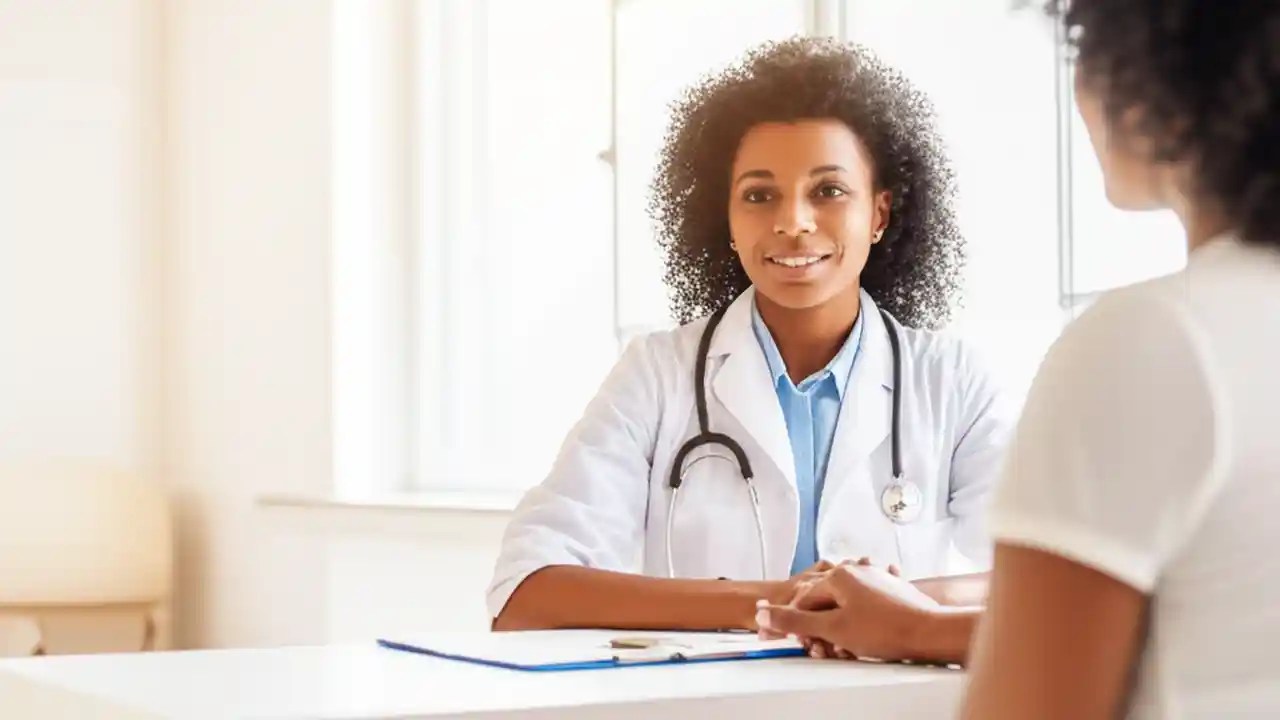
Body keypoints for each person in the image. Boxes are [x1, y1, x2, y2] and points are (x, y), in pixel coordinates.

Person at [762, 2, 1280, 716]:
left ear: (1152, 87)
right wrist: (918, 628)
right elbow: (1199, 624)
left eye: (1086, 51)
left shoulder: (1154, 340)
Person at [487, 37, 1015, 633]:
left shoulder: (951, 380)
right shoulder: (656, 374)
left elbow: (1041, 581)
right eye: (760, 196)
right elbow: (526, 594)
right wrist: (781, 602)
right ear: (729, 221)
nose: (793, 222)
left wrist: (880, 607)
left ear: (879, 214)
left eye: (829, 191)